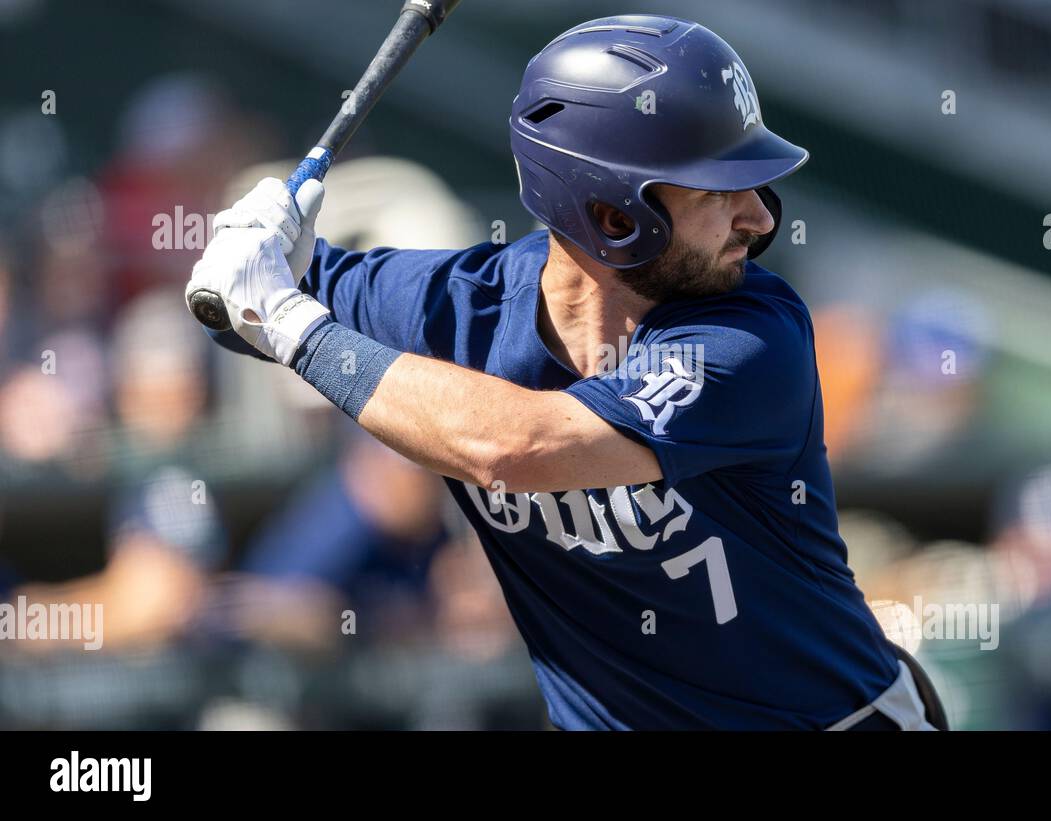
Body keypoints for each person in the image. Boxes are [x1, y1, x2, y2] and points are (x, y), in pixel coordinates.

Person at [185, 14, 940, 730]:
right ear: (615, 216)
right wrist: (251, 253)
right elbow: (238, 304)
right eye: (719, 191)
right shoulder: (455, 306)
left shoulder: (751, 336)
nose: (761, 217)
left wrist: (288, 322)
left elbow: (519, 447)